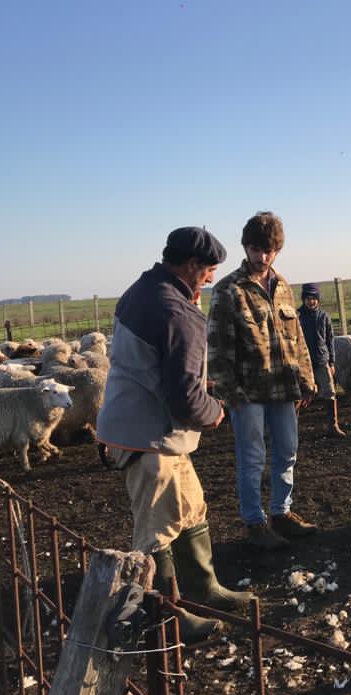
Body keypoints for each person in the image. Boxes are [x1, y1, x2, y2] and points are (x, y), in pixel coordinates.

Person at [97, 226, 252, 643]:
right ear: (190, 266)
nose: (211, 279)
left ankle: (204, 588)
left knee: (191, 506)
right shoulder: (177, 312)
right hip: (151, 438)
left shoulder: (141, 291)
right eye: (208, 271)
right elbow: (184, 397)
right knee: (155, 529)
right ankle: (164, 612)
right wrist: (213, 411)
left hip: (142, 427)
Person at [207, 211, 319, 551]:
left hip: (284, 387)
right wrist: (229, 392)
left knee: (287, 451)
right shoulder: (229, 290)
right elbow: (218, 346)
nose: (263, 256)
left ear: (277, 250)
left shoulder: (284, 287)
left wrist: (307, 379)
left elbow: (296, 337)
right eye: (257, 249)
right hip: (248, 392)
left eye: (270, 250)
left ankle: (281, 513)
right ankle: (255, 522)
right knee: (252, 457)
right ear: (246, 247)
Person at [297, 282, 345, 437]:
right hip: (303, 363)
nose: (312, 301)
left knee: (330, 393)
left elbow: (330, 340)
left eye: (314, 298)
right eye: (309, 298)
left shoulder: (324, 316)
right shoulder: (297, 316)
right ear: (303, 299)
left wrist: (331, 362)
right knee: (298, 395)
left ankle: (333, 426)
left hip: (321, 360)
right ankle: (293, 429)